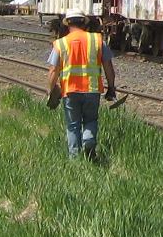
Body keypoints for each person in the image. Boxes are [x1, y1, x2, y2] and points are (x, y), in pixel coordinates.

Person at [46, 9, 116, 163]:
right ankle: (89, 140)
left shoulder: (61, 43)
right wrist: (111, 87)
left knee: (73, 126)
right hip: (92, 90)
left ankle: (75, 160)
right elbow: (109, 67)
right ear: (84, 23)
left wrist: (50, 91)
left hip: (70, 91)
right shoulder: (97, 40)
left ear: (68, 24)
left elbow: (53, 70)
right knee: (91, 120)